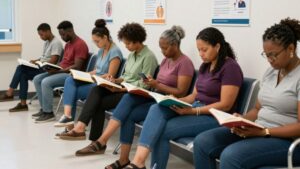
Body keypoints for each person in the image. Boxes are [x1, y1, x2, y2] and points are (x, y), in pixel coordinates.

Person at [124, 27, 244, 169]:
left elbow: (226, 105)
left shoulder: (230, 67)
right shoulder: (206, 66)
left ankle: (140, 164)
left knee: (161, 130)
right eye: (199, 50)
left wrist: (193, 111)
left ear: (217, 46)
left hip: (215, 117)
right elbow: (194, 96)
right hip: (197, 109)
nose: (201, 54)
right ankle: (138, 162)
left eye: (204, 50)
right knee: (157, 107)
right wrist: (176, 101)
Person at [76, 26, 195, 168]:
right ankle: (123, 159)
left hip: (169, 103)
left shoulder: (185, 63)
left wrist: (156, 85)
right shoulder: (165, 61)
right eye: (161, 48)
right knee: (128, 111)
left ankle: (102, 141)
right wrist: (151, 82)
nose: (162, 52)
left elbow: (181, 92)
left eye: (165, 48)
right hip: (156, 98)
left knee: (127, 103)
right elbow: (156, 83)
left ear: (175, 45)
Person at [193, 18, 300, 169]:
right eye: (266, 54)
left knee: (231, 156)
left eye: (273, 55)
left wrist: (264, 132)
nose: (269, 60)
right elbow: (257, 109)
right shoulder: (271, 73)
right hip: (260, 129)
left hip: (288, 140)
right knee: (203, 142)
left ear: (290, 49)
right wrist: (242, 120)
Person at [56, 22, 158, 145]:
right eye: (125, 43)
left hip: (133, 93)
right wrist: (116, 80)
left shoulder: (149, 57)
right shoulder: (132, 55)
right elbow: (125, 76)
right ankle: (82, 129)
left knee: (97, 101)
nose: (126, 46)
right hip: (123, 87)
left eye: (128, 43)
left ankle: (90, 137)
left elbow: (145, 84)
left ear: (138, 41)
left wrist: (121, 88)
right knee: (96, 91)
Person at [54, 19, 123, 127]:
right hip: (94, 79)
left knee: (72, 92)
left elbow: (110, 76)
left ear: (105, 38)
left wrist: (94, 76)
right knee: (69, 79)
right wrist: (87, 74)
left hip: (101, 84)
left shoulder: (115, 52)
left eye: (97, 41)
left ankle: (69, 123)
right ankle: (67, 117)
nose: (96, 44)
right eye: (94, 41)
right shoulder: (101, 50)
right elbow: (97, 69)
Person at [32, 21, 89, 123]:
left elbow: (77, 67)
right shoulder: (67, 45)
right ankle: (44, 109)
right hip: (62, 71)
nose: (62, 37)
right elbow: (64, 62)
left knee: (46, 82)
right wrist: (52, 67)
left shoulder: (80, 44)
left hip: (71, 75)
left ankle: (49, 113)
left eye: (63, 34)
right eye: (60, 35)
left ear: (70, 31)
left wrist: (59, 71)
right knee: (37, 79)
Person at [0, 23, 63, 112]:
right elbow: (44, 57)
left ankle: (10, 92)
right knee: (23, 75)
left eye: (42, 34)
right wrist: (36, 61)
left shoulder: (56, 43)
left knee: (21, 68)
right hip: (41, 67)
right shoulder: (47, 42)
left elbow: (53, 61)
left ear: (48, 31)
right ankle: (23, 104)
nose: (41, 37)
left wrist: (38, 62)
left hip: (47, 70)